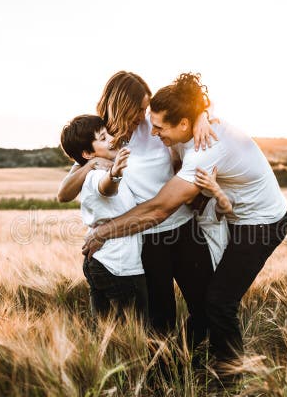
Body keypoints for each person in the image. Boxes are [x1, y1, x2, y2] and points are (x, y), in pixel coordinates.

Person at [82, 73, 287, 378]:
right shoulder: (135, 130)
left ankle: (229, 380)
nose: (151, 129)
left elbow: (160, 208)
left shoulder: (204, 146)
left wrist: (104, 231)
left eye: (157, 125)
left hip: (259, 222)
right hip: (181, 229)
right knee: (172, 315)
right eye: (145, 116)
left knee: (217, 302)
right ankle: (177, 371)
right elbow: (81, 162)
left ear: (183, 123)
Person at [57, 71, 218, 338]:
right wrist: (93, 165)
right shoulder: (102, 137)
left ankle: (196, 367)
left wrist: (201, 116)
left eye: (146, 107)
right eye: (140, 108)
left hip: (185, 228)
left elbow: (191, 101)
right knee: (160, 321)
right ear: (123, 105)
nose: (144, 114)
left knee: (207, 306)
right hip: (147, 238)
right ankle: (165, 378)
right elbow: (64, 193)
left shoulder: (153, 124)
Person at [59, 114, 147, 321]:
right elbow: (105, 189)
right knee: (134, 327)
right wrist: (115, 175)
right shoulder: (96, 174)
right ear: (88, 153)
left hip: (100, 262)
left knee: (104, 330)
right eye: (102, 138)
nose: (110, 139)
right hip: (119, 266)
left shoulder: (95, 166)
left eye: (108, 133)